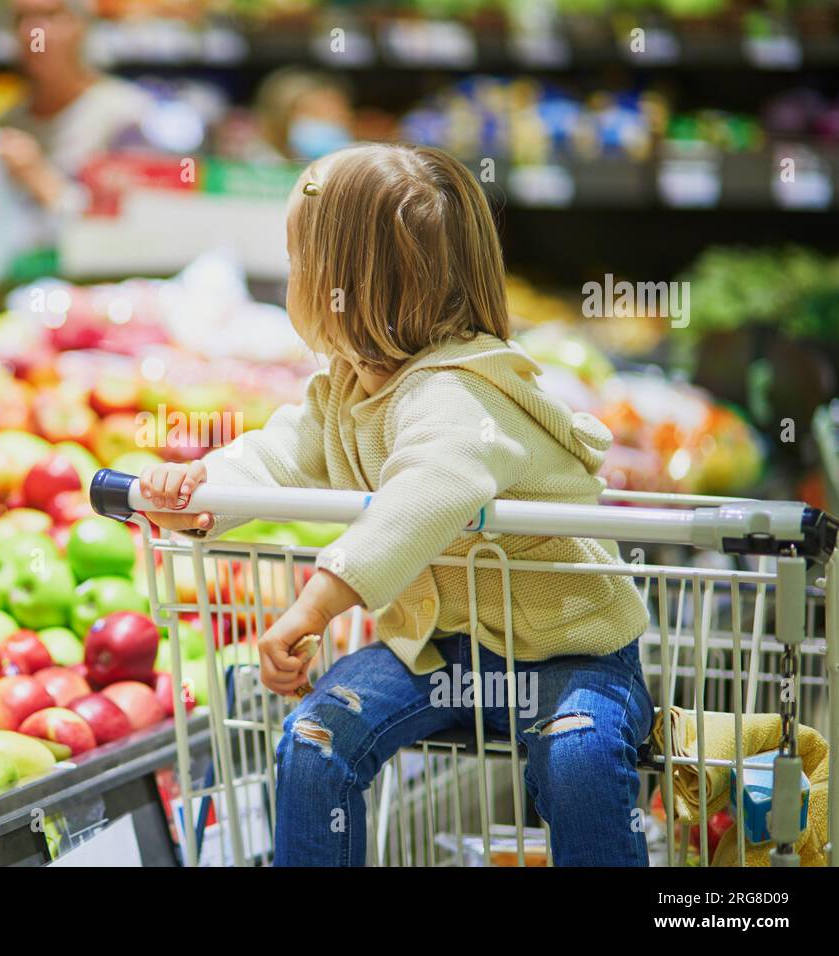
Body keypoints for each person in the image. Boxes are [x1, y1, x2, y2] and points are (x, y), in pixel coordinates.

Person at [137, 143, 654, 867]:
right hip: (436, 648)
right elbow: (279, 453)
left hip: (573, 653)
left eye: (297, 264)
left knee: (578, 758)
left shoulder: (462, 392)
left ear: (342, 286)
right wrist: (199, 491)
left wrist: (314, 607)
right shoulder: (349, 387)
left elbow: (423, 497)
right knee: (317, 739)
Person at [0, 0, 152, 233]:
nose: (33, 32)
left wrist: (40, 180)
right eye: (22, 19)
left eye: (49, 16)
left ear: (81, 26)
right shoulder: (4, 121)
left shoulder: (124, 113)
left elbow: (138, 229)